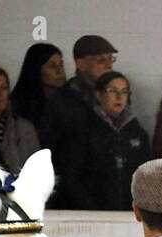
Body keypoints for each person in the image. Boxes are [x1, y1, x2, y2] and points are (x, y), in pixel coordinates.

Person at [41, 36, 119, 208]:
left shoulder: (114, 98)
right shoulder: (63, 102)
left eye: (110, 59)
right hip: (73, 199)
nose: (108, 65)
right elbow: (62, 160)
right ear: (81, 64)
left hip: (108, 197)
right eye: (101, 60)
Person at [85, 70, 151, 210]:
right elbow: (74, 176)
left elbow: (147, 175)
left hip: (131, 212)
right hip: (93, 213)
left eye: (124, 91)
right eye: (112, 91)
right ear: (98, 95)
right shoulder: (85, 129)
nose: (119, 96)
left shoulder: (138, 132)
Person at [10, 42, 65, 129]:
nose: (60, 71)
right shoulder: (19, 106)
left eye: (61, 65)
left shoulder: (69, 101)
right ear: (36, 70)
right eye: (52, 66)